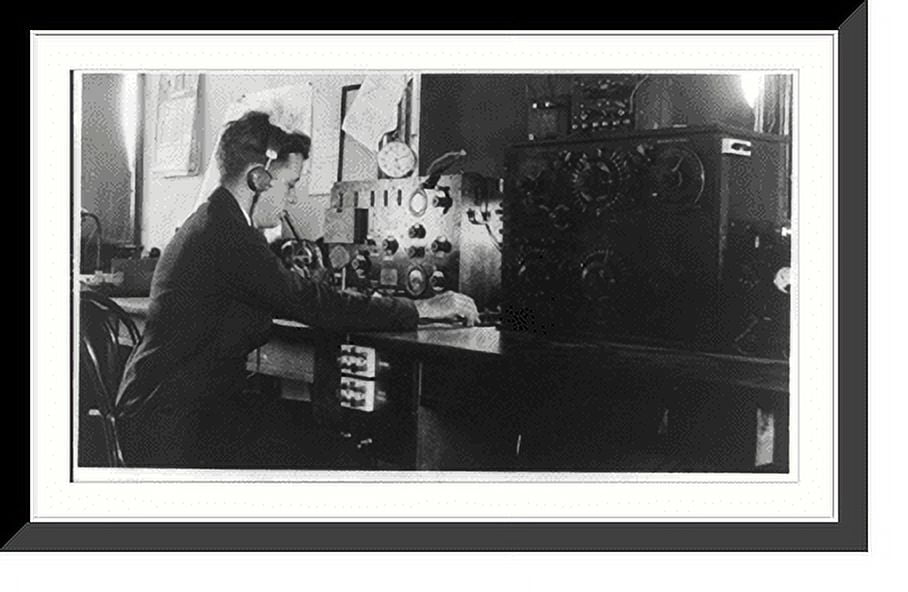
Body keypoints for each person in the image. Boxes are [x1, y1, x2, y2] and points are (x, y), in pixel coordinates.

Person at [116, 111, 478, 468]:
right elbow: (313, 304)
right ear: (258, 178)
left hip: (172, 407)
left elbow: (281, 290)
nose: (291, 200)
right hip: (174, 426)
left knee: (321, 428)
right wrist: (422, 309)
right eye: (289, 185)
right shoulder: (228, 233)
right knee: (343, 450)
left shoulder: (215, 219)